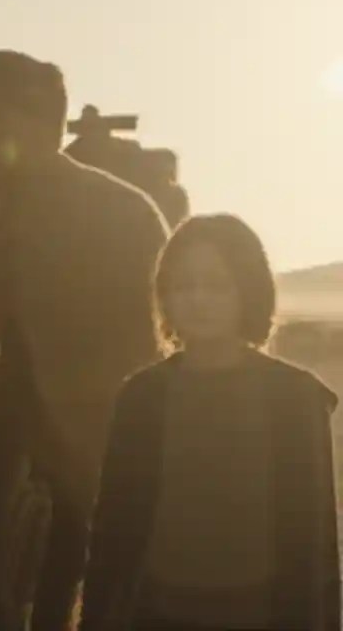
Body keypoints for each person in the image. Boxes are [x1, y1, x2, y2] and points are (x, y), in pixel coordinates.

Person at [0, 50, 172, 630]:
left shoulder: (117, 212)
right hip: (21, 418)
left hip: (91, 430)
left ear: (43, 126)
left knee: (80, 578)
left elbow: (148, 339)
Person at [79, 214, 341, 631]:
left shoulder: (294, 397)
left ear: (248, 291)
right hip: (157, 614)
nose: (199, 299)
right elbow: (113, 530)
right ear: (165, 296)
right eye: (184, 286)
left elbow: (314, 544)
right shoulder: (143, 397)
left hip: (261, 615)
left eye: (217, 285)